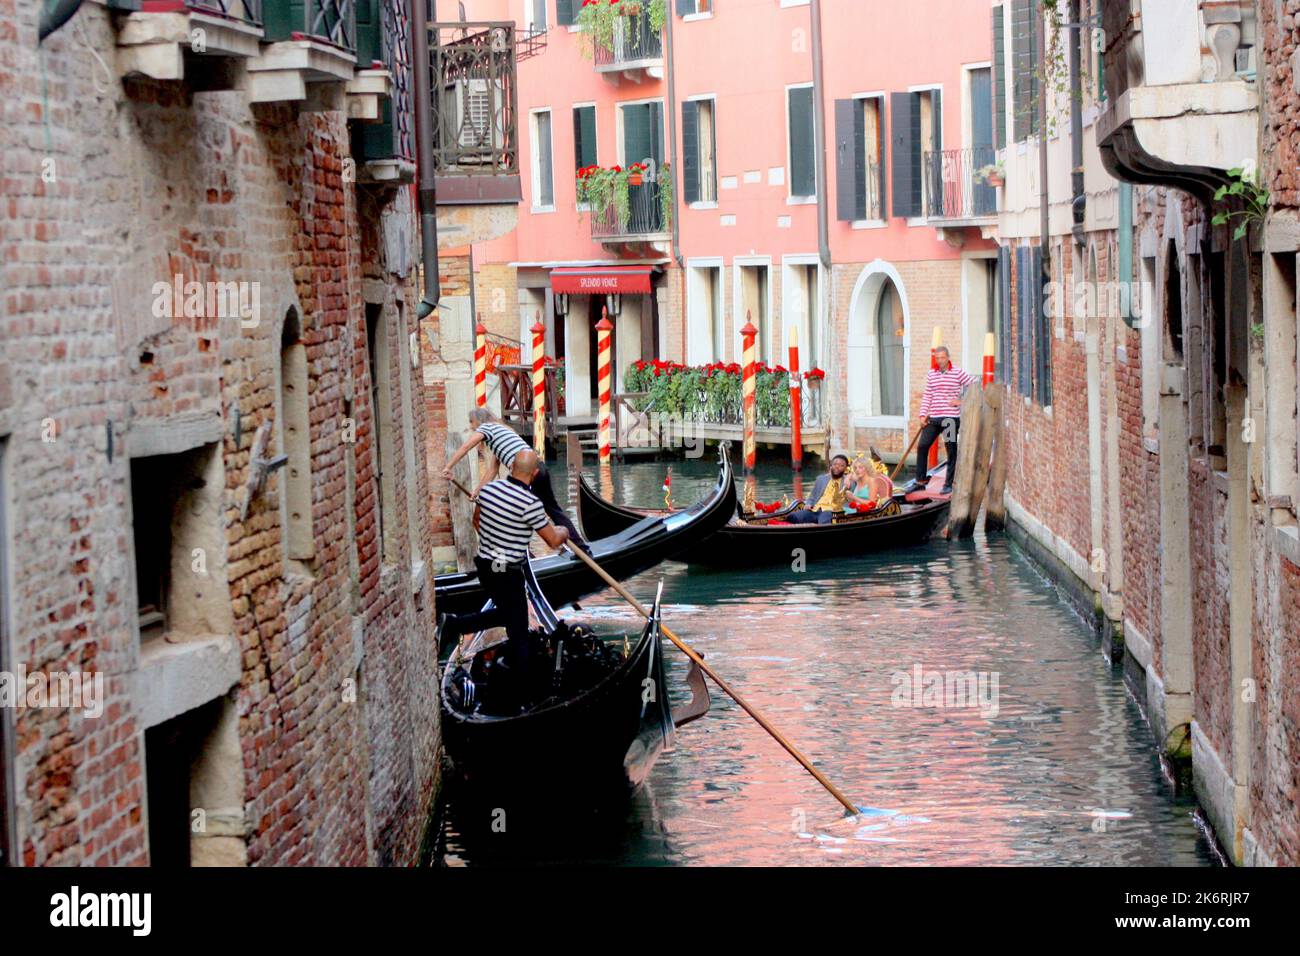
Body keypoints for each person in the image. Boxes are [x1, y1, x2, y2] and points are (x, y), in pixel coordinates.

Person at [437, 449, 569, 706]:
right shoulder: (530, 503)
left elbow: (477, 521)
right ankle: (525, 700)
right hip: (506, 572)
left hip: (486, 566)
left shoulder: (488, 490)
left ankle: (454, 624)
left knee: (511, 615)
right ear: (535, 473)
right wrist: (563, 530)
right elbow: (552, 540)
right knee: (519, 633)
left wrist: (497, 537)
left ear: (511, 468)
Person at [443, 408, 589, 552]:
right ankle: (581, 548)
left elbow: (467, 446)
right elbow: (492, 471)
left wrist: (448, 467)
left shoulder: (486, 428)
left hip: (527, 474)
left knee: (514, 513)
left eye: (471, 422)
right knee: (553, 511)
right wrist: (477, 491)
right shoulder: (501, 433)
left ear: (480, 420)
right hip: (540, 469)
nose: (471, 426)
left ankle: (524, 556)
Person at [911, 346, 976, 494]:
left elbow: (975, 386)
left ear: (948, 357)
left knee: (951, 450)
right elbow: (928, 395)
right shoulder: (931, 374)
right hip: (934, 417)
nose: (939, 361)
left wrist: (960, 402)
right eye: (937, 358)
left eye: (942, 358)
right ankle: (920, 481)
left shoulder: (957, 372)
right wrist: (922, 415)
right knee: (922, 446)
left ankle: (948, 483)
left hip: (950, 419)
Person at [787, 454, 850, 524]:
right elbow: (812, 497)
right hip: (814, 510)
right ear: (831, 465)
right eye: (835, 464)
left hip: (831, 512)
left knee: (824, 521)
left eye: (841, 465)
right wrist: (808, 504)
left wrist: (849, 476)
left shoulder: (848, 482)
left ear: (846, 468)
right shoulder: (821, 479)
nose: (837, 467)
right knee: (792, 517)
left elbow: (860, 475)